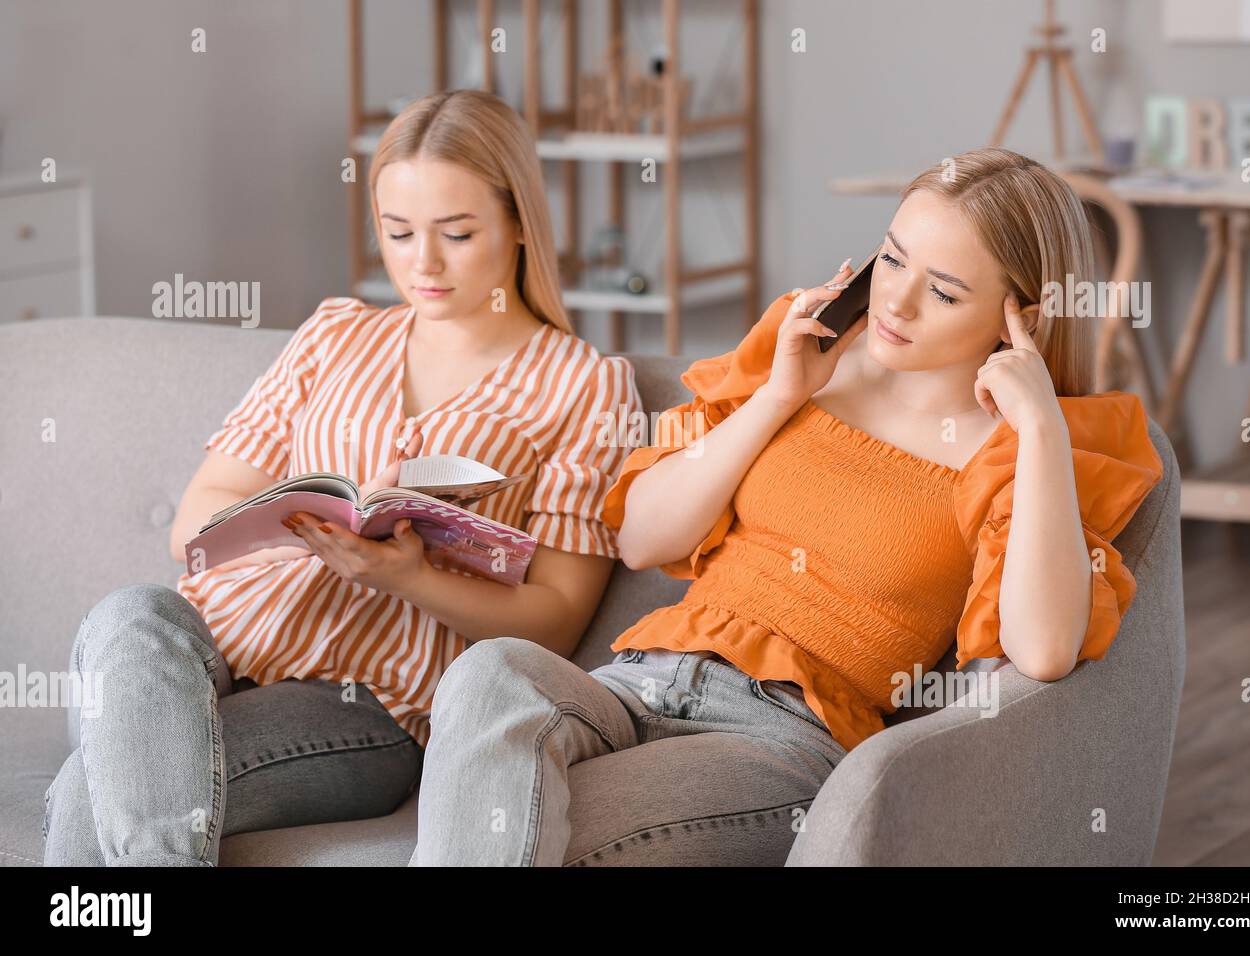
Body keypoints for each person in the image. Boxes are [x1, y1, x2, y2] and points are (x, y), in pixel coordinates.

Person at [410, 147, 1164, 866]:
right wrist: (777, 396)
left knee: (531, 824)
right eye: (893, 258)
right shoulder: (805, 354)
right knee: (490, 671)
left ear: (1021, 316)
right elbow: (641, 537)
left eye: (942, 290)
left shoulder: (1022, 447)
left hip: (778, 739)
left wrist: (1039, 426)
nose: (895, 301)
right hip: (632, 683)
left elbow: (1044, 648)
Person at [42, 89, 640, 866]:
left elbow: (556, 621)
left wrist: (406, 576)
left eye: (457, 234)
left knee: (96, 787)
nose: (421, 263)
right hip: (202, 649)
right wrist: (302, 527)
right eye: (398, 232)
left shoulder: (585, 385)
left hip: (362, 703)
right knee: (130, 613)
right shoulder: (336, 332)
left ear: (520, 223)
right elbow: (196, 524)